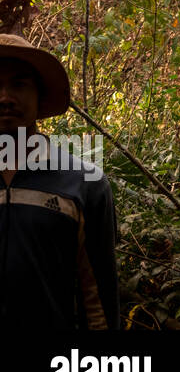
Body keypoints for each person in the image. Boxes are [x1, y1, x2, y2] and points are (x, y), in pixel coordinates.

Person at [0, 33, 119, 329]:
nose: (4, 97)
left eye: (19, 84)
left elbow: (98, 298)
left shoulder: (84, 183)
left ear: (39, 96)